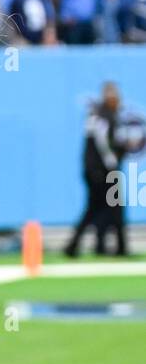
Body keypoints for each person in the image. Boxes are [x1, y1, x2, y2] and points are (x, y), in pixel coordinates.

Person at [64, 81, 143, 257]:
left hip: (98, 170)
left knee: (97, 208)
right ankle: (117, 247)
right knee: (111, 207)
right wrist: (112, 162)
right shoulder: (102, 116)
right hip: (102, 171)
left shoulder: (105, 115)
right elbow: (103, 144)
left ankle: (81, 246)